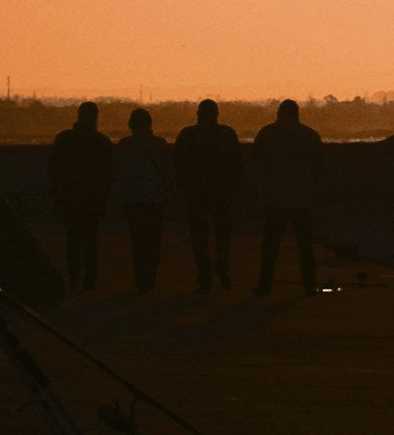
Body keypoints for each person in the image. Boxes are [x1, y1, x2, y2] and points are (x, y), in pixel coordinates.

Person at [251, 99, 327, 294]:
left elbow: (256, 165)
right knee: (305, 247)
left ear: (278, 113)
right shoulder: (309, 136)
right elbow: (319, 168)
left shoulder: (267, 134)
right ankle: (309, 285)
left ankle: (265, 284)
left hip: (275, 197)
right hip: (301, 198)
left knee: (270, 246)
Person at [43, 102, 116, 290]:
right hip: (93, 199)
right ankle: (90, 279)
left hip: (70, 198)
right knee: (90, 240)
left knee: (73, 239)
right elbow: (109, 174)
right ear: (96, 117)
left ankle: (74, 276)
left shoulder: (65, 139)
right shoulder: (102, 142)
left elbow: (53, 169)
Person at [176, 97, 245, 293]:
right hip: (221, 193)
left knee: (199, 236)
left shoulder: (188, 136)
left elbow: (179, 167)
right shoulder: (227, 135)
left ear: (198, 115)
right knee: (223, 233)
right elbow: (237, 166)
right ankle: (221, 263)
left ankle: (204, 272)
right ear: (217, 115)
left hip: (196, 194)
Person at [114, 106, 173, 292]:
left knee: (137, 242)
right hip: (155, 199)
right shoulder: (160, 144)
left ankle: (141, 279)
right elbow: (168, 172)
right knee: (153, 241)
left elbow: (117, 172)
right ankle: (150, 279)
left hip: (132, 198)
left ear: (131, 125)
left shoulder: (124, 146)